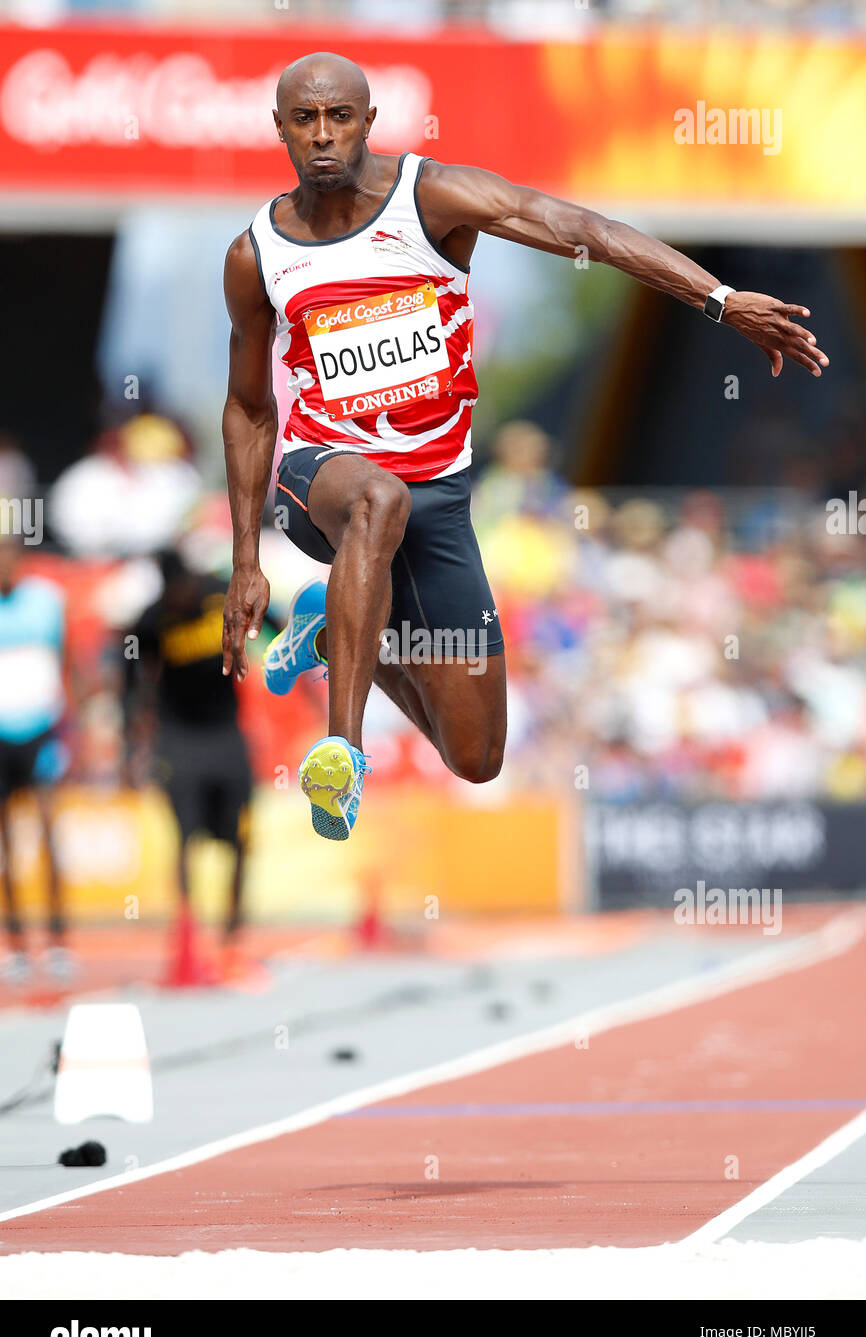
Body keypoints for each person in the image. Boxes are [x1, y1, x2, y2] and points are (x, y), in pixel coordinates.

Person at [221, 51, 829, 842]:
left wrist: (717, 298)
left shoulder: (430, 199)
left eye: (341, 117)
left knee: (477, 755)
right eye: (305, 120)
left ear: (369, 122)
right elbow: (246, 407)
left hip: (437, 495)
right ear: (280, 129)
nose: (324, 136)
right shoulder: (257, 254)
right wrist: (245, 561)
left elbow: (585, 230)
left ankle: (328, 632)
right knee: (378, 498)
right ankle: (342, 751)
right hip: (322, 478)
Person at [126, 548, 259, 985]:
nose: (178, 599)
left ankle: (233, 934)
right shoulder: (151, 620)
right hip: (178, 739)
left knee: (239, 835)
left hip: (225, 733)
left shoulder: (220, 594)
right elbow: (131, 679)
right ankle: (188, 935)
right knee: (185, 837)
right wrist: (134, 741)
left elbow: (270, 615)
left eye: (182, 589)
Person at [0, 537, 71, 984]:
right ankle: (18, 943)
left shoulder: (45, 603)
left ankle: (60, 938)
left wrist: (72, 726)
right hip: (2, 736)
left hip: (42, 731)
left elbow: (67, 665)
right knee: (7, 845)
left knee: (48, 833)